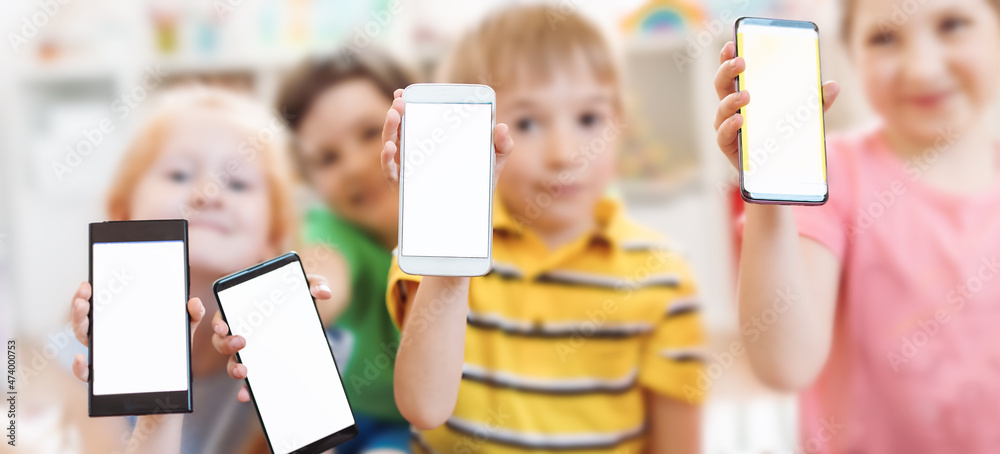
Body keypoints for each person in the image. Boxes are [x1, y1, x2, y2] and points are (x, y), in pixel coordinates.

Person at [381, 5, 704, 453]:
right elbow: (423, 405)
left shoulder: (661, 273)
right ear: (475, 135)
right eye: (529, 123)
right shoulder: (433, 253)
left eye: (589, 119)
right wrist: (453, 255)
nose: (565, 153)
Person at [713, 0, 1000, 451]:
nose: (922, 68)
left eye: (952, 24)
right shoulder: (833, 174)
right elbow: (786, 364)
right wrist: (769, 190)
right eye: (884, 37)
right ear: (850, 53)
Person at [67, 86, 333, 453]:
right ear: (122, 213)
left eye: (238, 183)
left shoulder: (303, 350)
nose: (208, 194)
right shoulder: (77, 362)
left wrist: (293, 372)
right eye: (178, 175)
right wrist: (156, 412)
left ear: (272, 235)